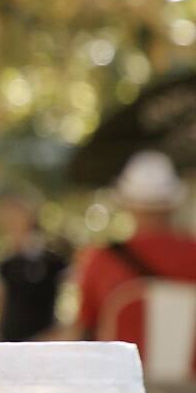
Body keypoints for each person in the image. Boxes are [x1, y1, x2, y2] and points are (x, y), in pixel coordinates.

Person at [73, 149, 196, 356]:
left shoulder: (101, 260)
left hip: (121, 383)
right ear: (173, 205)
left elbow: (82, 327)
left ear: (128, 204)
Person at [0, 185, 71, 342]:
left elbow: (70, 299)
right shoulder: (6, 262)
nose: (9, 223)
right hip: (10, 344)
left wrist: (57, 335)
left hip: (42, 344)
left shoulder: (51, 260)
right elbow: (3, 302)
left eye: (14, 215)